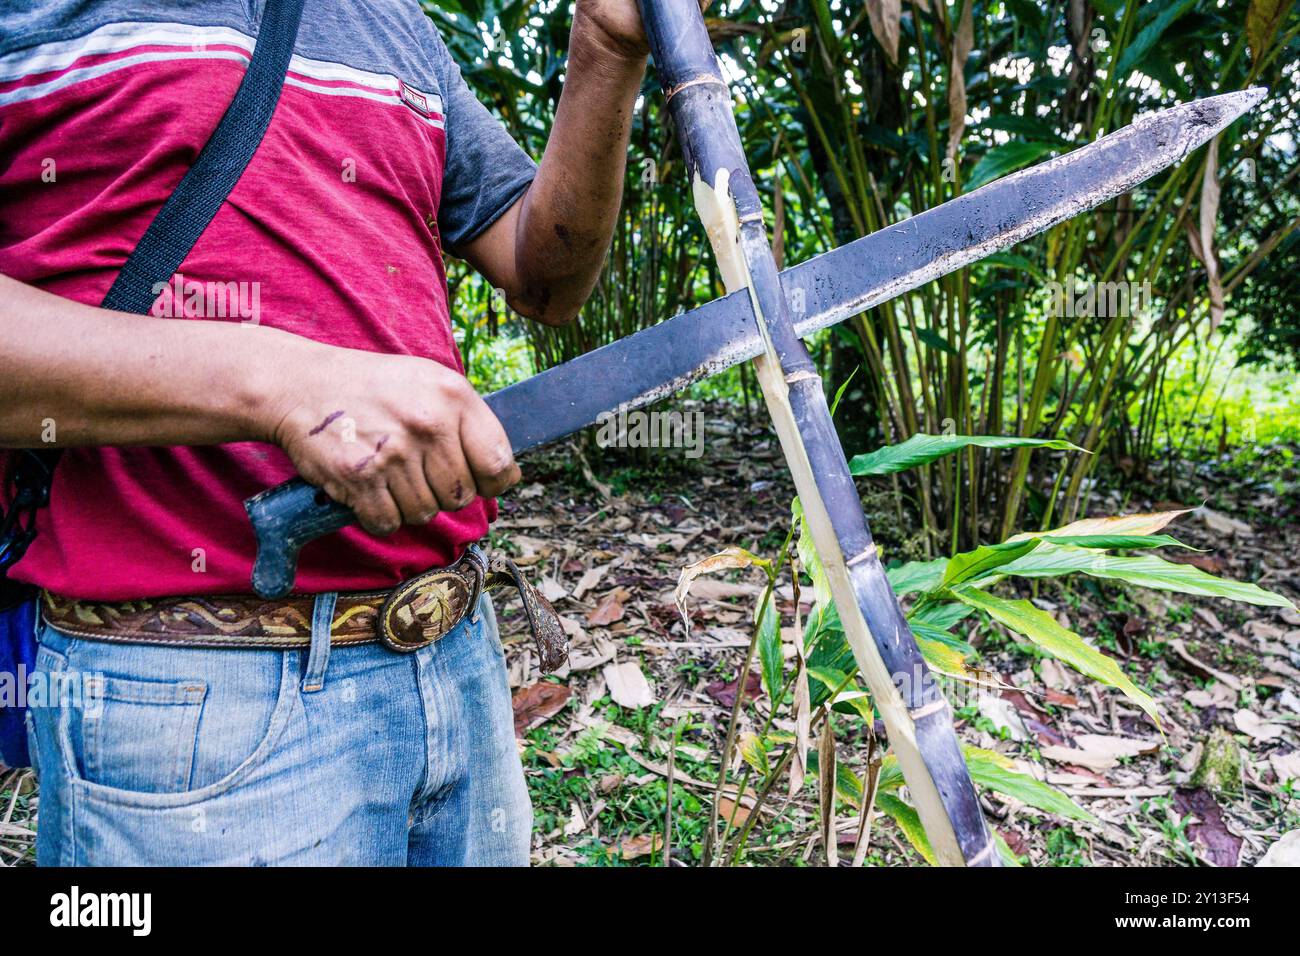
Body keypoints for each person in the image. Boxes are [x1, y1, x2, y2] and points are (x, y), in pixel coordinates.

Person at [0, 0, 652, 865]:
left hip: (453, 658)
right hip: (192, 698)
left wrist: (604, 51)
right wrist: (289, 386)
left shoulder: (397, 27)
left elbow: (545, 275)